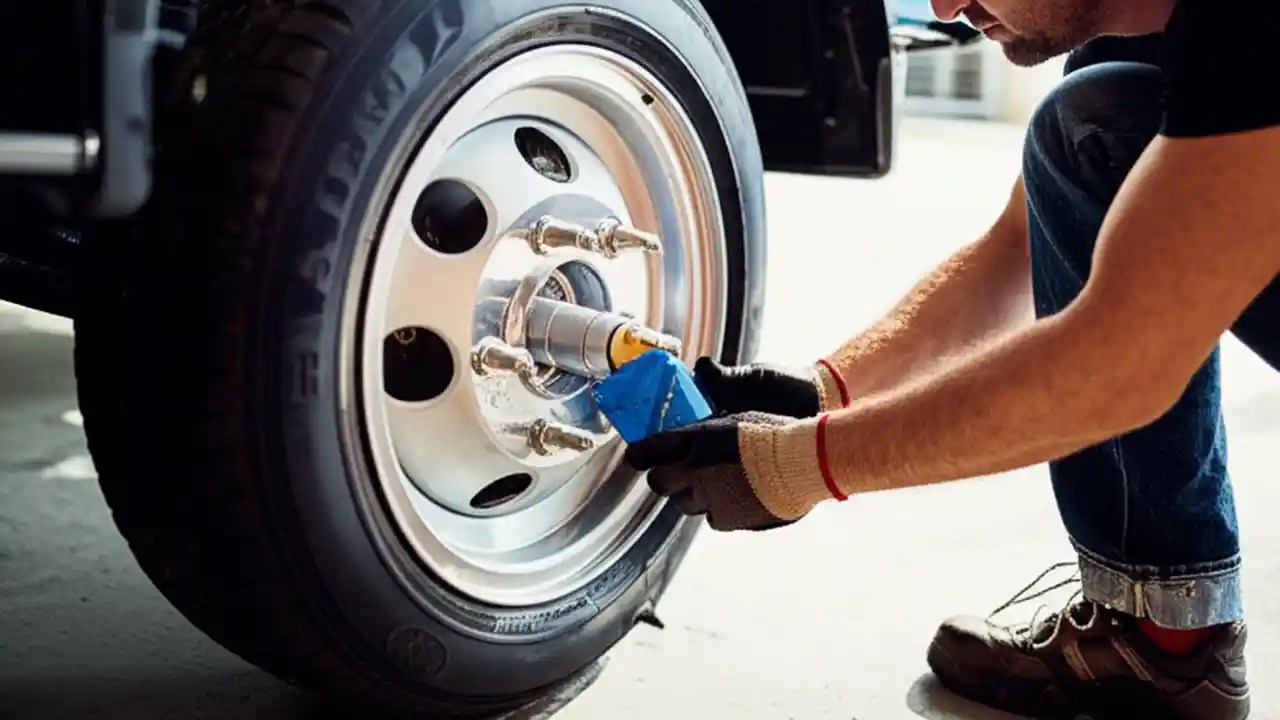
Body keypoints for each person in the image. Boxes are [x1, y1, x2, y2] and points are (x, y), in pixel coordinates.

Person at [624, 1, 1278, 717]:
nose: (942, 6)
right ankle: (1164, 639)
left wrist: (799, 465)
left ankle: (1164, 641)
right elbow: (1014, 255)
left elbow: (1122, 362)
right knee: (1088, 125)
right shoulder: (1143, 37)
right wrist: (825, 397)